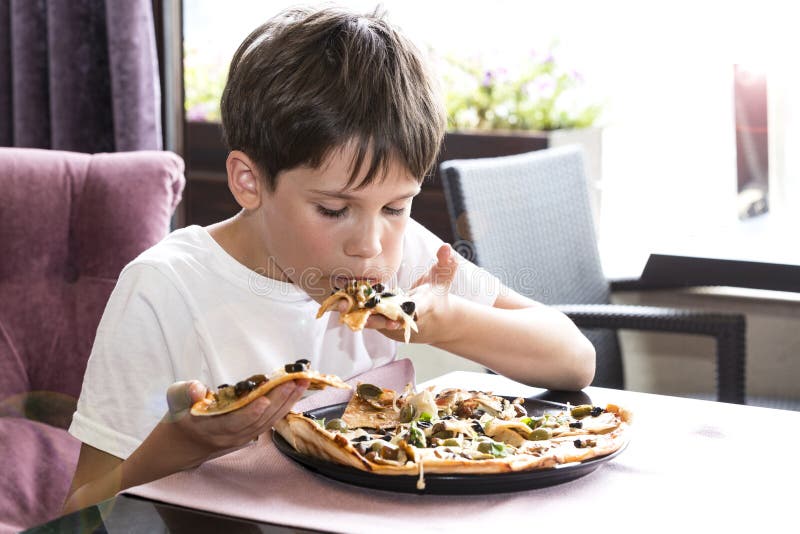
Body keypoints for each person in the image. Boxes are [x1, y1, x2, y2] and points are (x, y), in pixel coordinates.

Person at [62, 5, 595, 514]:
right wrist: (181, 444)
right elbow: (81, 509)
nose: (369, 244)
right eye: (334, 209)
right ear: (249, 182)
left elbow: (574, 359)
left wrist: (448, 321)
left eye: (395, 205)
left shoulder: (404, 250)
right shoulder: (165, 289)